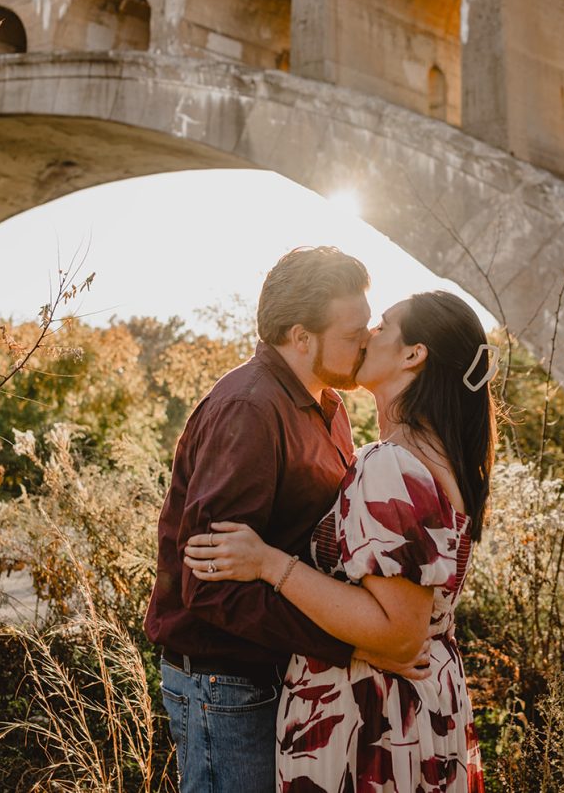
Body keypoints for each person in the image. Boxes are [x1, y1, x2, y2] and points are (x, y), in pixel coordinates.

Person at [185, 290, 494, 792]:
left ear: (414, 354)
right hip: (417, 702)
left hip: (372, 715)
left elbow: (398, 632)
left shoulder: (392, 462)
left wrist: (268, 563)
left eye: (383, 325)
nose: (369, 333)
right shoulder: (439, 456)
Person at [145, 247, 428, 793]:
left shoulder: (329, 406)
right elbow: (208, 587)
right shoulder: (250, 411)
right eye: (352, 334)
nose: (366, 342)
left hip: (280, 671)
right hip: (224, 684)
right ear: (302, 338)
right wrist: (351, 645)